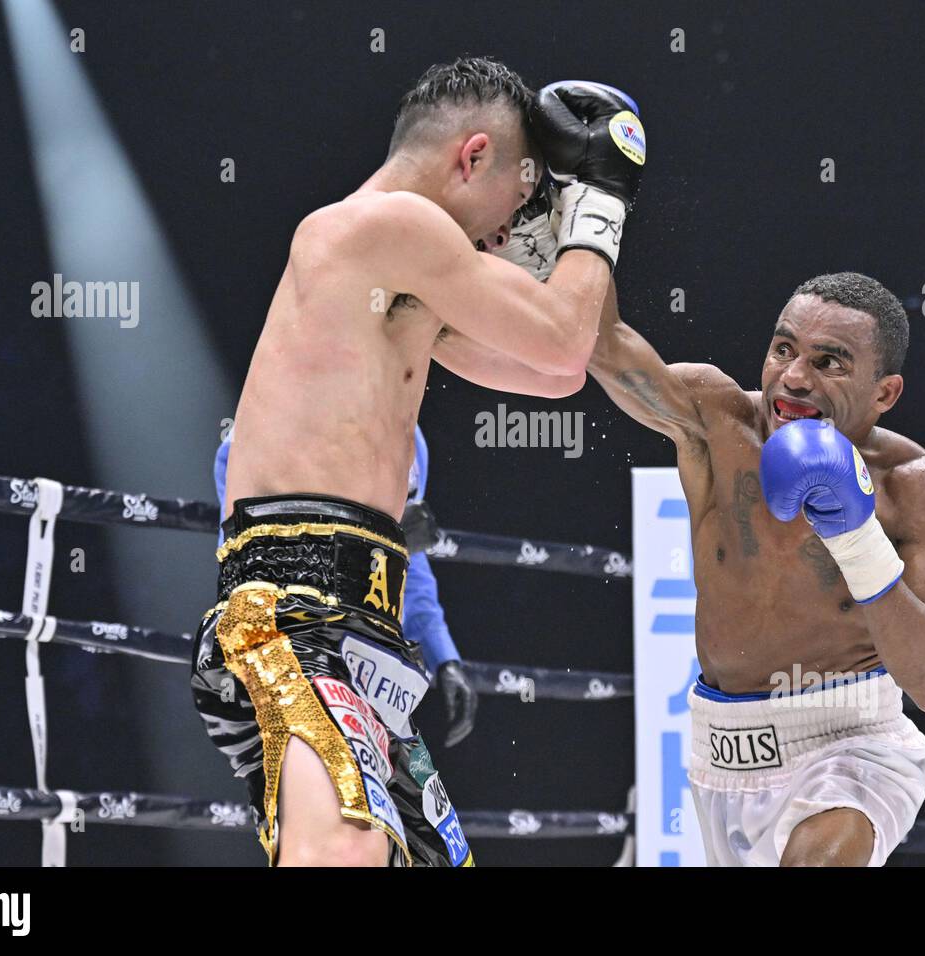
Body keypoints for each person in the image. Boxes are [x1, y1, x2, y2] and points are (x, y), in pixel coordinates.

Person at [189, 57, 647, 867]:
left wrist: (567, 223)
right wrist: (599, 204)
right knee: (344, 852)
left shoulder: (405, 288)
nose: (509, 232)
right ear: (471, 157)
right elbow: (560, 333)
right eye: (518, 197)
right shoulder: (380, 228)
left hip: (362, 614)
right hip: (291, 602)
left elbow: (561, 370)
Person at [587, 271, 925, 866]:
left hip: (851, 745)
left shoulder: (920, 488)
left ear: (885, 392)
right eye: (783, 349)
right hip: (718, 751)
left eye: (830, 363)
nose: (794, 378)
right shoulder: (716, 421)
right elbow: (601, 343)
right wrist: (585, 216)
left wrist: (855, 535)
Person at [212, 426, 477, 747]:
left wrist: (443, 655)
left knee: (378, 790)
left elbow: (409, 563)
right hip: (292, 652)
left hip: (373, 665)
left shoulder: (409, 436)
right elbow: (250, 563)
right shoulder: (257, 431)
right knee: (307, 784)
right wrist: (375, 537)